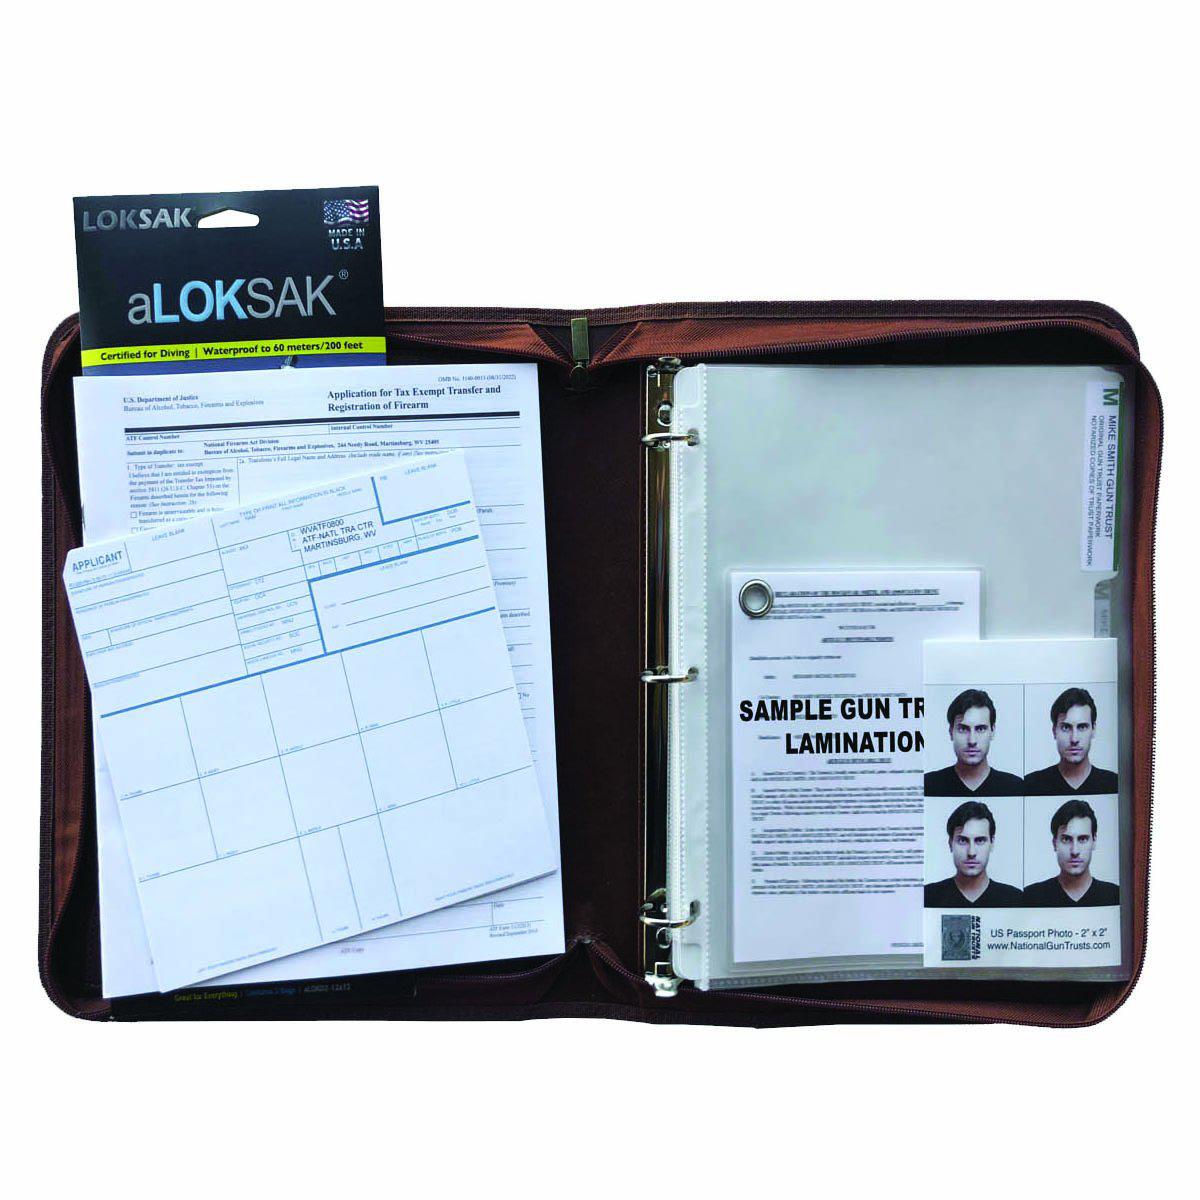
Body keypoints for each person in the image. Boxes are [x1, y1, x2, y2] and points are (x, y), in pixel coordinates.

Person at [924, 689, 1025, 796]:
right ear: (951, 732)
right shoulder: (928, 784)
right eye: (963, 729)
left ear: (992, 731)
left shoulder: (1015, 787)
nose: (972, 741)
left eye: (980, 729)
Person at [924, 800, 1024, 908]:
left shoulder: (1015, 899)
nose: (971, 852)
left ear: (992, 843)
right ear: (950, 844)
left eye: (980, 840)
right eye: (963, 840)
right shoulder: (928, 896)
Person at [1023, 799, 1120, 907]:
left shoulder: (1115, 895)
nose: (1075, 851)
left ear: (1094, 841)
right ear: (1055, 843)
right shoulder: (1031, 897)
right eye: (1066, 839)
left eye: (1082, 839)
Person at [1023, 687, 1119, 795]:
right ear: (1054, 731)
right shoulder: (1031, 785)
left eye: (1082, 727)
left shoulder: (1114, 783)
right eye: (1066, 727)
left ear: (1093, 729)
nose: (1074, 739)